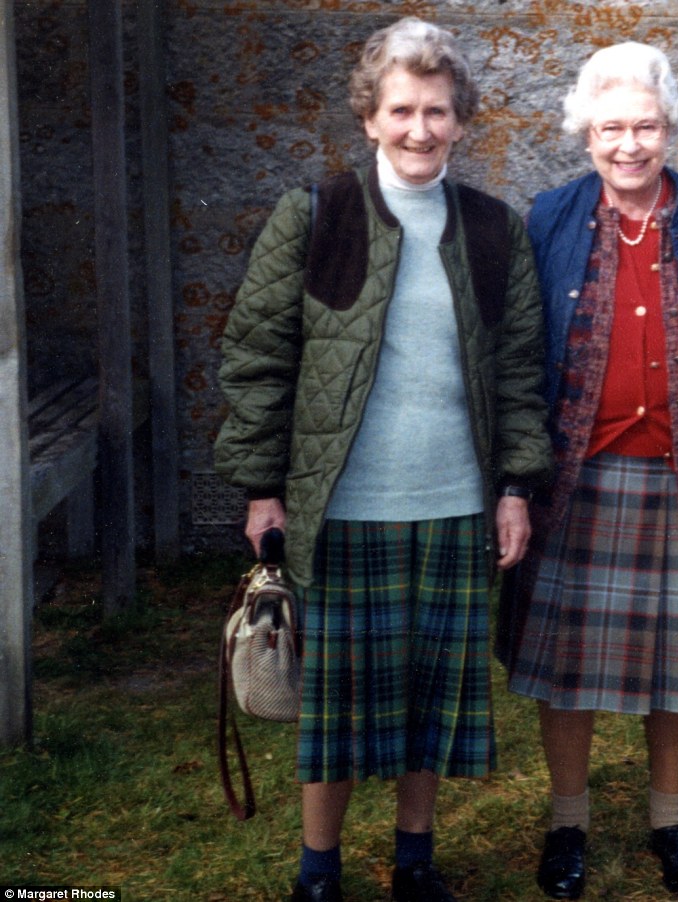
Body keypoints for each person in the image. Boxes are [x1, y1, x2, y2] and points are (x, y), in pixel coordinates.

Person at [214, 17, 552, 902]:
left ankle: (415, 861)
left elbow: (520, 369)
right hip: (341, 506)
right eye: (401, 110)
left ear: (460, 120)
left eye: (437, 111)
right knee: (333, 708)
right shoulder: (315, 215)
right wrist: (262, 490)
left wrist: (516, 487)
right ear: (369, 117)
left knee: (430, 701)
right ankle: (318, 872)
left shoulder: (493, 229)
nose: (419, 129)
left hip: (454, 504)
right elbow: (257, 358)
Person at [497, 42, 678, 900]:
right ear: (586, 134)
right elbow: (520, 344)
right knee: (565, 671)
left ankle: (669, 823)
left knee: (675, 673)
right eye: (611, 128)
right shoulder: (549, 217)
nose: (629, 145)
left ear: (669, 128)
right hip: (577, 477)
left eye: (645, 126)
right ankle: (566, 824)